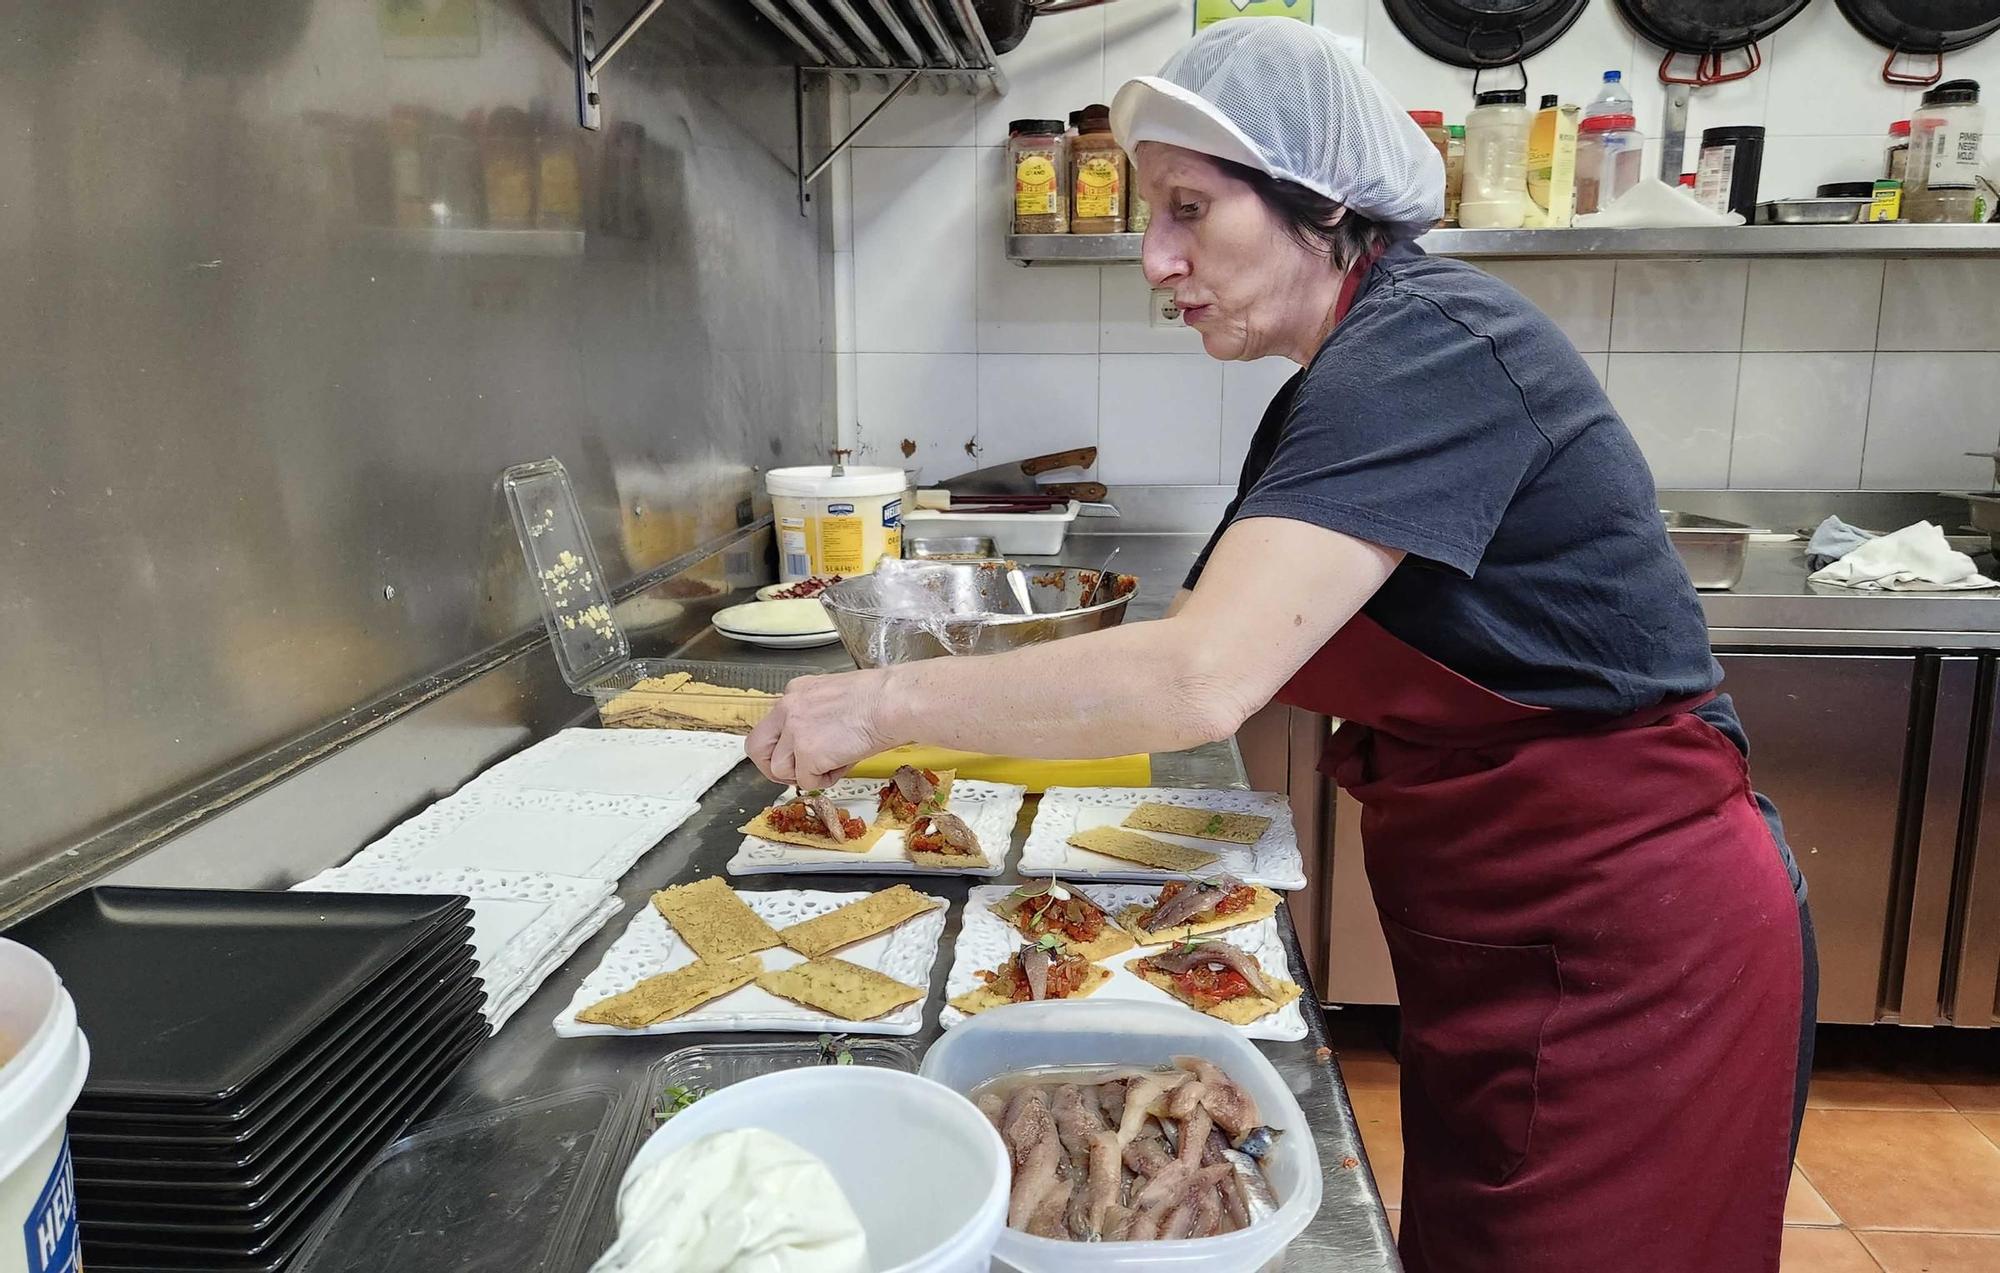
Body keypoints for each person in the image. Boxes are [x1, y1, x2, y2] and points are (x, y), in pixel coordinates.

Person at [747, 19, 1815, 1271]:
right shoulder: (1347, 372)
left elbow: (1198, 674)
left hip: (1630, 945)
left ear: (1320, 205)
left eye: (1191, 210)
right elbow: (1207, 652)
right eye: (1156, 215)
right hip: (1508, 927)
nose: (1155, 259)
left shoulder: (1428, 352)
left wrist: (879, 705)